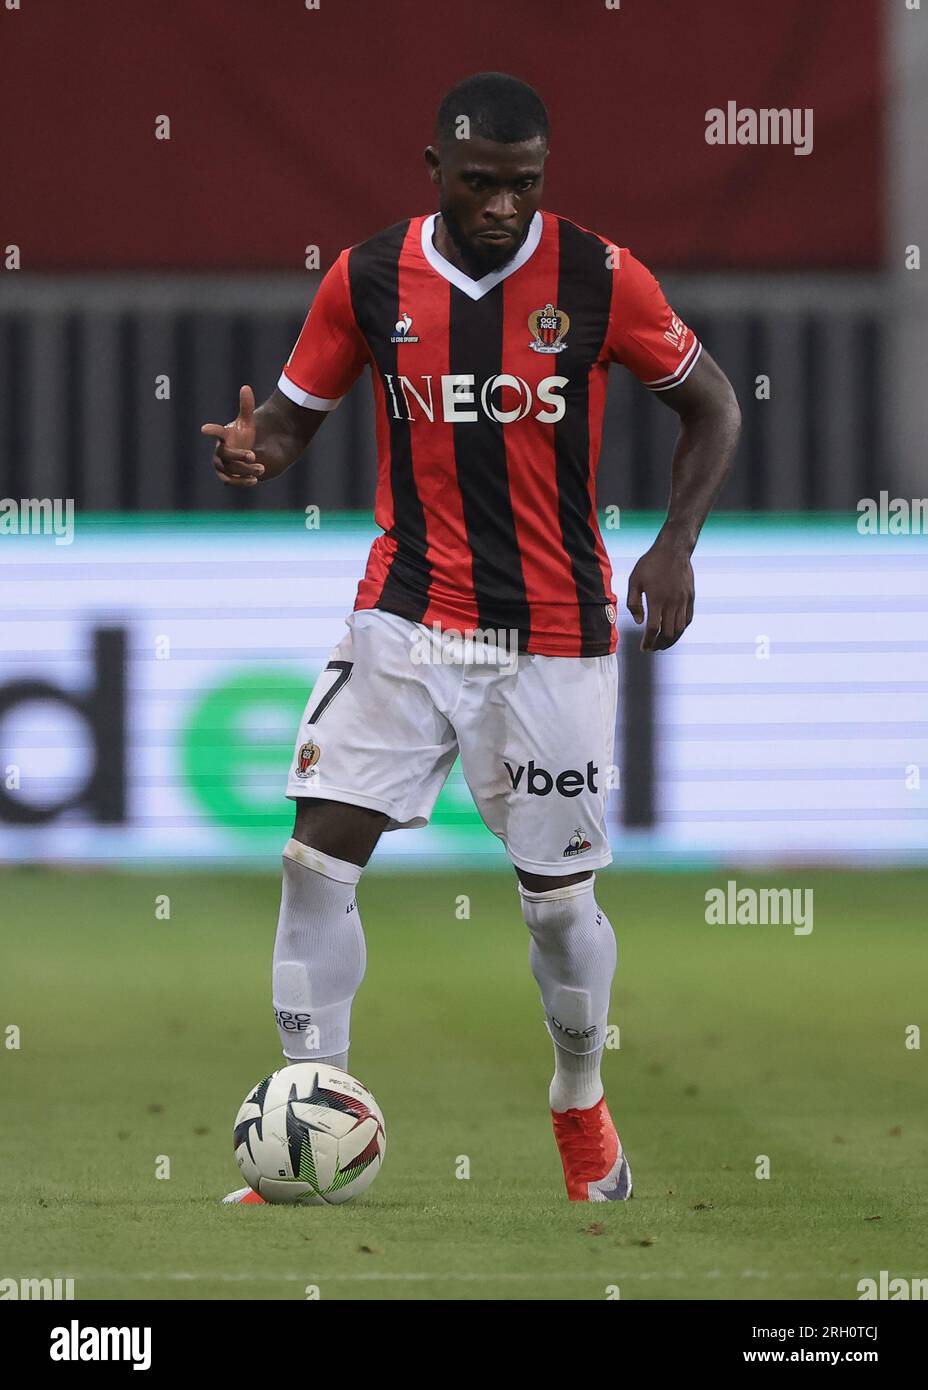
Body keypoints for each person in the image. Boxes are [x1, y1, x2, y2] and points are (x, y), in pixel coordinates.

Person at [203, 71, 740, 1204]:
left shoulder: (599, 276)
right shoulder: (367, 276)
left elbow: (713, 403)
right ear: (434, 170)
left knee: (554, 906)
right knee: (312, 859)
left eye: (524, 184)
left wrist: (674, 546)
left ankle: (580, 1100)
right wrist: (259, 451)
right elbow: (297, 417)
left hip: (552, 634)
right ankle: (311, 1115)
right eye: (482, 183)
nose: (503, 205)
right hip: (403, 615)